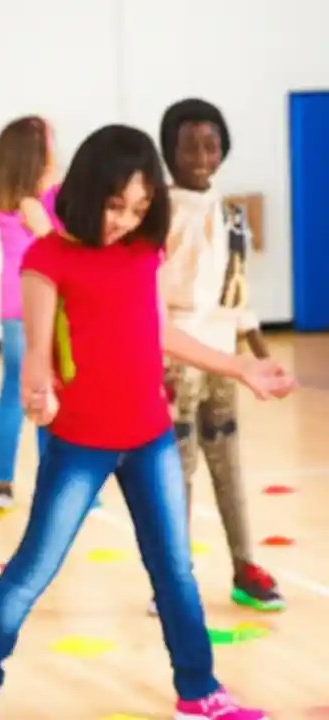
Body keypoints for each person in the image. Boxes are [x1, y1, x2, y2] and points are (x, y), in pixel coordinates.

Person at [0, 125, 293, 720]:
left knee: (175, 571)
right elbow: (36, 353)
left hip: (150, 438)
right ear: (85, 190)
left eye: (138, 209)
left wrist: (239, 365)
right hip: (78, 445)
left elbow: (158, 330)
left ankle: (199, 689)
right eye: (115, 206)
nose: (125, 220)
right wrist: (38, 392)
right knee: (33, 568)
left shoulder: (143, 250)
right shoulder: (47, 258)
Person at [155, 98, 284, 615]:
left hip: (224, 354)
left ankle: (243, 564)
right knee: (177, 467)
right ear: (170, 151)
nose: (202, 156)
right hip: (176, 355)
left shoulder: (231, 214)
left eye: (211, 145)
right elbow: (150, 293)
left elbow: (237, 290)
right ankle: (172, 575)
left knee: (227, 462)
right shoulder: (160, 211)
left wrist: (260, 353)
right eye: (190, 146)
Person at [0, 115, 58, 511]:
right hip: (35, 307)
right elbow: (54, 243)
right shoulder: (33, 205)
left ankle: (3, 482)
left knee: (13, 393)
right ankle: (53, 479)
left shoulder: (7, 202)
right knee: (41, 391)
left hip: (13, 309)